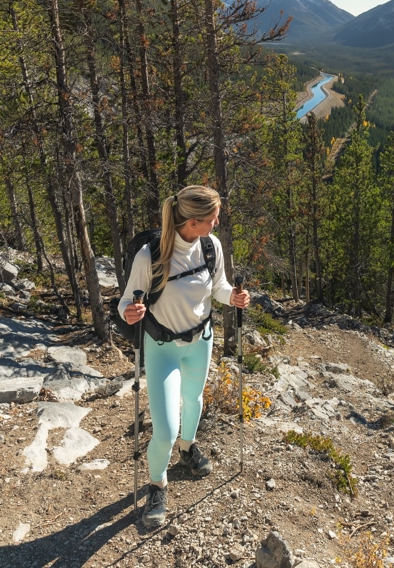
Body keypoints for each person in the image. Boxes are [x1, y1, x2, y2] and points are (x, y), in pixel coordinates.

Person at [117, 185, 250, 529]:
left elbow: (218, 286)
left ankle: (189, 448)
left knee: (194, 399)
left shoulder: (210, 246)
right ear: (191, 222)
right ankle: (157, 484)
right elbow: (124, 303)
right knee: (164, 429)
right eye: (211, 219)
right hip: (162, 348)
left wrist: (231, 298)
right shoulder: (152, 255)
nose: (216, 223)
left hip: (200, 340)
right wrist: (131, 312)